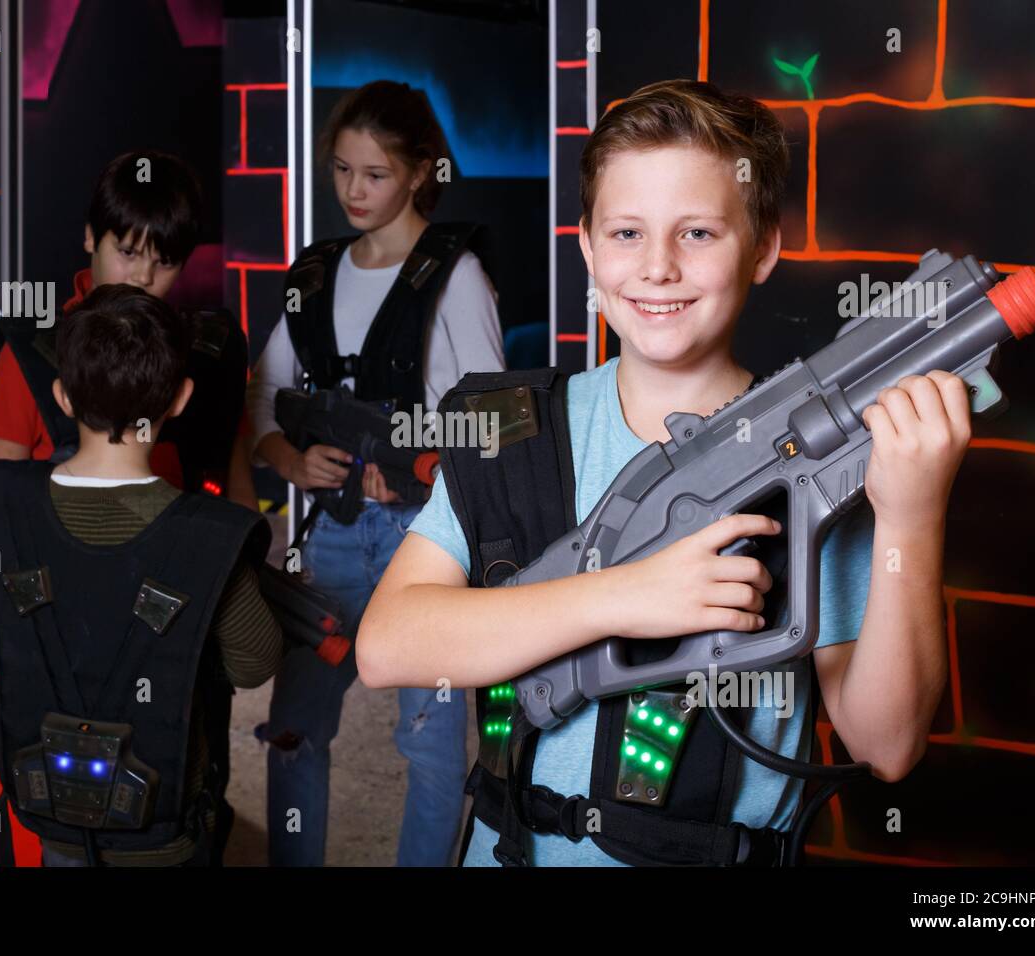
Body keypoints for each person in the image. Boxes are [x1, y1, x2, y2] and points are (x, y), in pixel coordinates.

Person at [358, 79, 967, 866]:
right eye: (625, 233)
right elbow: (387, 644)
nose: (657, 268)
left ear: (764, 246)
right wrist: (628, 595)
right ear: (585, 247)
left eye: (700, 234)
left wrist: (913, 520)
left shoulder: (821, 456)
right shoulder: (509, 432)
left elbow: (886, 744)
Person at [245, 80, 506, 866]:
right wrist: (290, 458)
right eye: (341, 171)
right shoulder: (313, 274)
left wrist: (419, 475)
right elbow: (261, 398)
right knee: (292, 730)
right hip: (328, 542)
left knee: (429, 751)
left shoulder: (454, 276)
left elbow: (491, 421)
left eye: (376, 174)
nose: (354, 191)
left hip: (424, 542)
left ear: (423, 171)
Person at [0, 284, 283, 866]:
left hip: (55, 822)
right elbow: (255, 663)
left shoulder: (9, 512)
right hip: (163, 832)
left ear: (62, 397)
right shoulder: (208, 536)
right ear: (182, 397)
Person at [0, 149, 255, 507]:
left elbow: (235, 484)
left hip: (183, 556)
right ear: (92, 237)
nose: (143, 277)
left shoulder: (208, 353)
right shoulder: (34, 354)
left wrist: (250, 563)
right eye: (128, 252)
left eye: (165, 261)